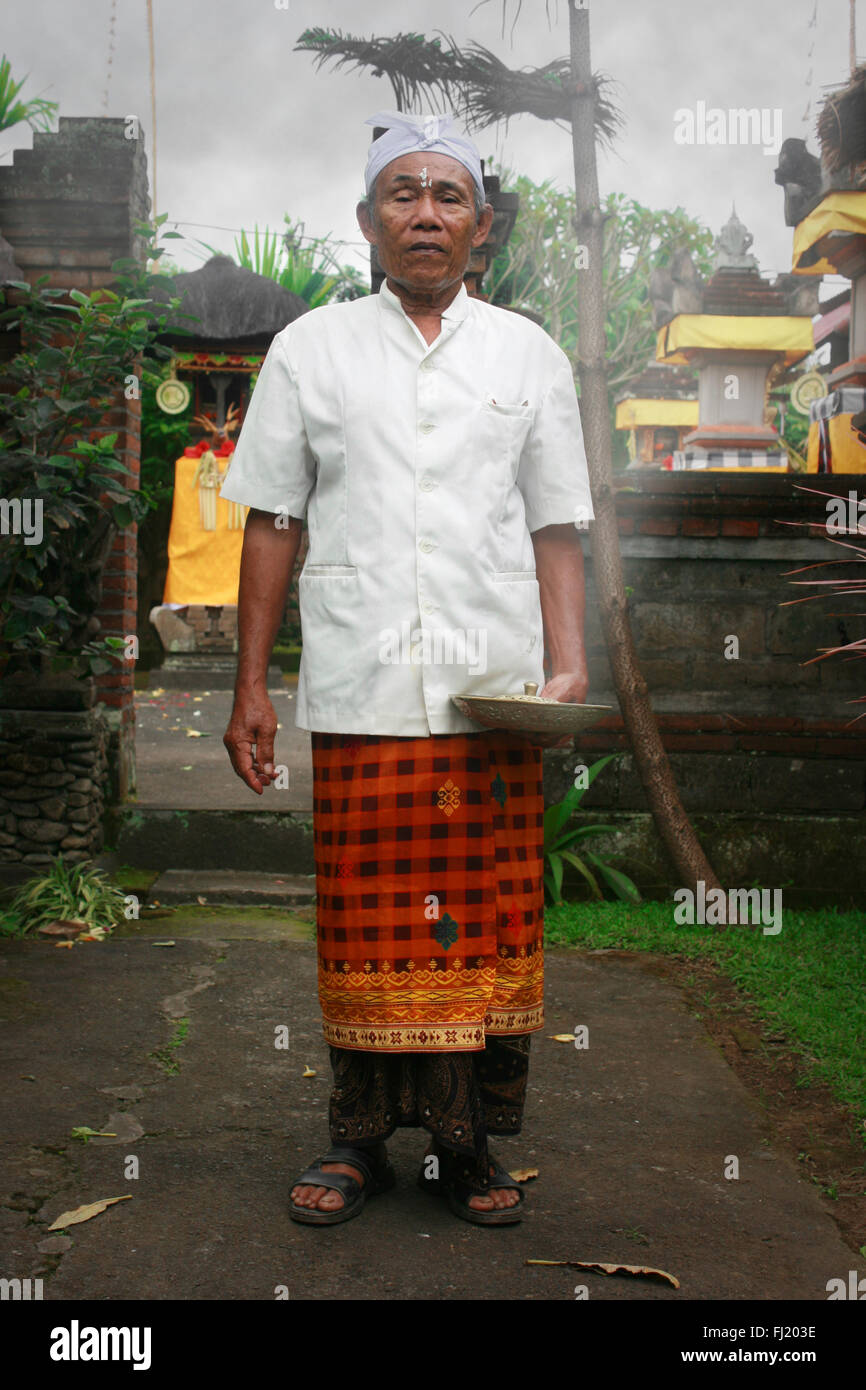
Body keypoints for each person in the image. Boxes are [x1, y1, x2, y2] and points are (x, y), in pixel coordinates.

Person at [221, 109, 594, 1227]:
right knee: (368, 931)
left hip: (494, 696)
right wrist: (250, 683)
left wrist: (567, 664)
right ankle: (356, 1143)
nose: (424, 214)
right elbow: (273, 521)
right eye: (402, 193)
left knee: (482, 928)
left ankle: (469, 1148)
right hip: (362, 693)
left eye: (446, 196)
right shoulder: (311, 349)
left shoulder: (527, 353)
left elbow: (556, 526)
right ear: (366, 220)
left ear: (479, 227)